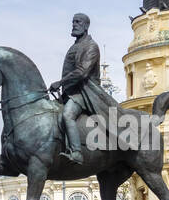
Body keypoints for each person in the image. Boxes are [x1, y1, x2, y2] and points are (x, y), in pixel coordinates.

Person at [47, 13, 118, 165]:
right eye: (73, 22)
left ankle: (77, 152)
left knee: (67, 115)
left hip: (85, 93)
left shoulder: (91, 46)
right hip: (71, 92)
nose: (74, 24)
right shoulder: (76, 46)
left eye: (78, 22)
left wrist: (60, 82)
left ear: (86, 26)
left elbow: (82, 71)